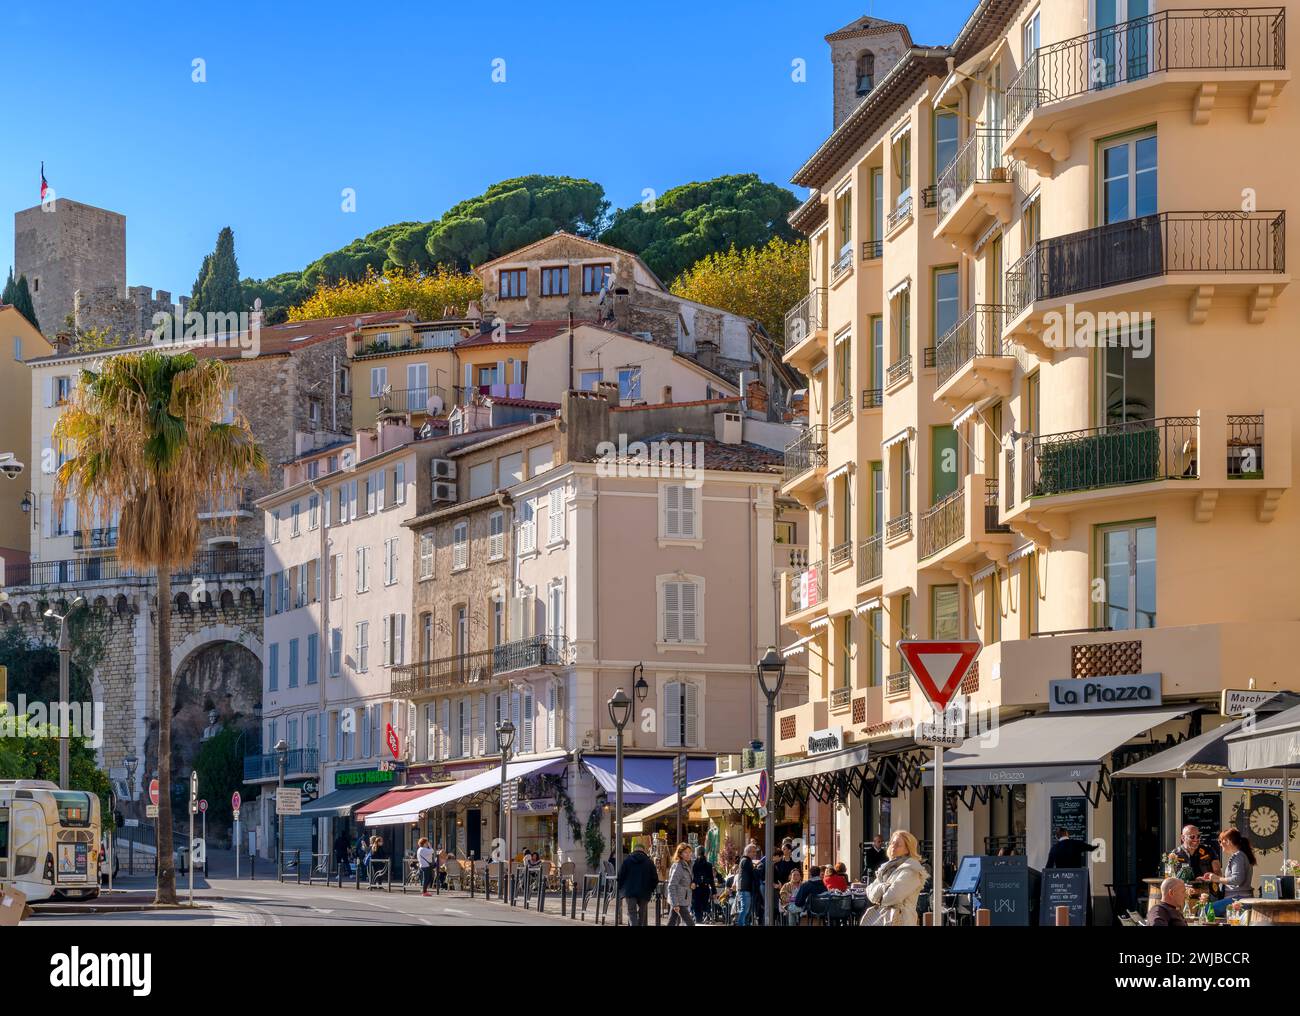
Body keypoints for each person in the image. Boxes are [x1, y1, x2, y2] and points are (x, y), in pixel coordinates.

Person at [861, 830, 928, 927]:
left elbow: (892, 897)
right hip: (882, 919)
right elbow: (869, 891)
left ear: (908, 849)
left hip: (902, 920)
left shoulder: (911, 869)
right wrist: (884, 887)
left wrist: (879, 893)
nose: (893, 846)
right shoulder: (886, 868)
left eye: (898, 845)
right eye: (892, 843)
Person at [1207, 828, 1255, 918]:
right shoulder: (1240, 855)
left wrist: (1217, 879)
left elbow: (1237, 880)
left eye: (1220, 841)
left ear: (1228, 841)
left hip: (1238, 899)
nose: (1220, 845)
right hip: (1239, 898)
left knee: (1206, 910)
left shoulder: (1238, 856)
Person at [617, 841, 659, 926]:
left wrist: (622, 889)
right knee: (642, 913)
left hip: (629, 892)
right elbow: (655, 879)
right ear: (644, 851)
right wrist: (651, 889)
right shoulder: (649, 862)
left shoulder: (627, 861)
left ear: (633, 850)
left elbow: (620, 876)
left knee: (632, 913)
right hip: (645, 892)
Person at [665, 843, 696, 927]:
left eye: (690, 852)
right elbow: (671, 885)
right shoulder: (679, 866)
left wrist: (692, 884)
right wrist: (675, 903)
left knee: (672, 921)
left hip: (682, 899)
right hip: (679, 900)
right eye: (686, 852)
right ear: (680, 854)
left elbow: (686, 880)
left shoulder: (688, 864)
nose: (688, 854)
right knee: (690, 923)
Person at [735, 843, 759, 927]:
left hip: (745, 889)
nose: (755, 854)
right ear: (748, 852)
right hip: (745, 889)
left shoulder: (745, 861)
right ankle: (741, 924)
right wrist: (757, 869)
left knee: (747, 910)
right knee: (745, 909)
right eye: (753, 852)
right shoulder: (746, 861)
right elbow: (752, 873)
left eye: (755, 852)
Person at [690, 846, 715, 924]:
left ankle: (699, 921)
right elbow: (711, 879)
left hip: (696, 888)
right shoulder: (708, 864)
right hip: (704, 888)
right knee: (702, 906)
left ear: (696, 853)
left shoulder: (693, 864)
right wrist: (714, 890)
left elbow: (691, 876)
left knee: (697, 907)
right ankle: (701, 920)